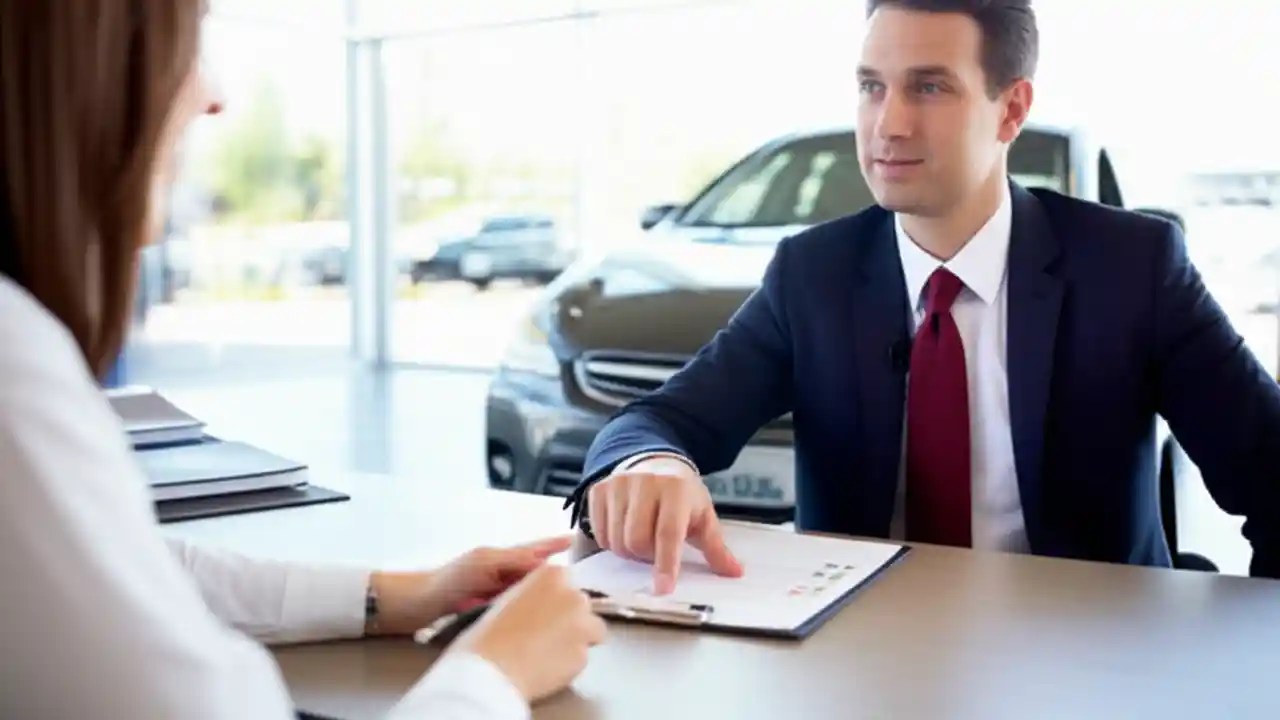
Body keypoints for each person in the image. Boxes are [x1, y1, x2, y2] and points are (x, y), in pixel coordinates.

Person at [0, 2, 604, 718]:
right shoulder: (13, 365)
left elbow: (122, 566)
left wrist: (398, 593)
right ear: (78, 67)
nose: (210, 91)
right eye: (181, 44)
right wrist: (494, 672)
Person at [568, 0, 1280, 594]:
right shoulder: (812, 275)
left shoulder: (1131, 269)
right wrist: (651, 465)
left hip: (1087, 661)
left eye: (929, 87)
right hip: (858, 653)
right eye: (872, 86)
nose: (889, 123)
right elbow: (658, 422)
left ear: (1011, 110)